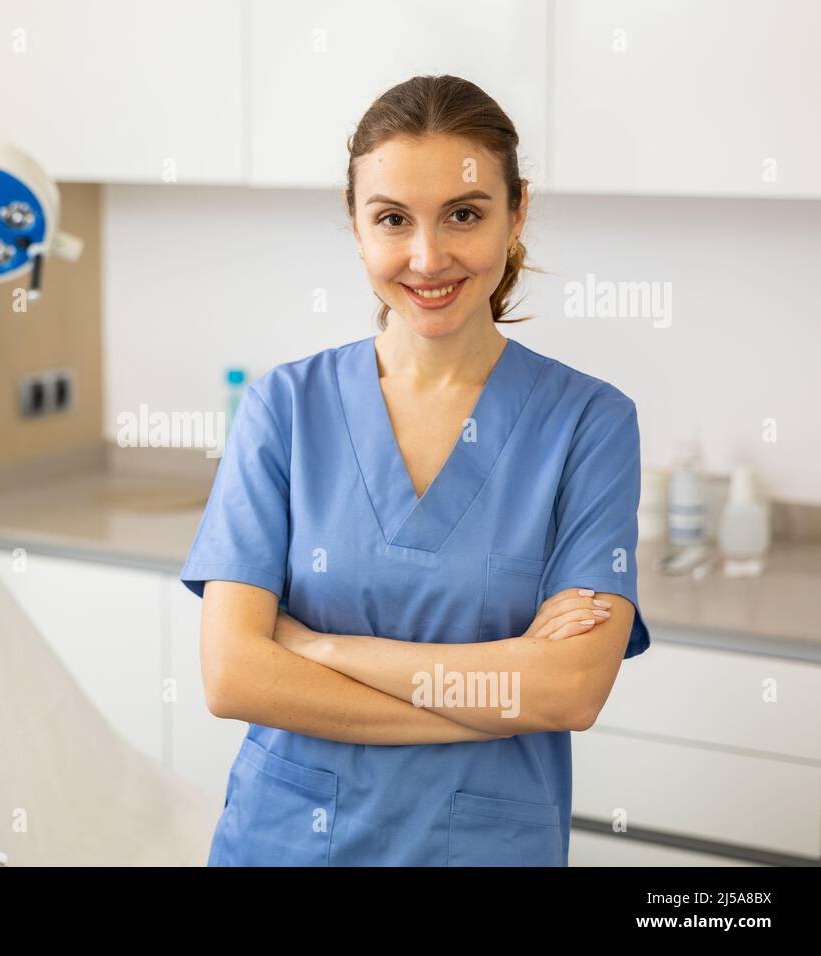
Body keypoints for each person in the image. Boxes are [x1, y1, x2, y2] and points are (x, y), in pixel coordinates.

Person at [179, 74, 649, 866]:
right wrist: (499, 696)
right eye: (393, 219)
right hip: (287, 842)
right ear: (356, 225)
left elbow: (569, 691)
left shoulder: (588, 423)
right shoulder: (285, 408)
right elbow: (234, 676)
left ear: (517, 210)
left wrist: (321, 650)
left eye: (464, 215)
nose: (428, 257)